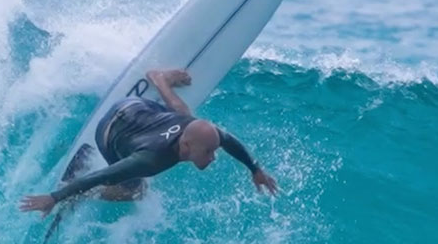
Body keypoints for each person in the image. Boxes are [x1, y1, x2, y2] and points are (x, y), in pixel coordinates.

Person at [20, 69, 278, 216]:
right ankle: (82, 195)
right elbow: (102, 175)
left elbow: (228, 141)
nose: (213, 156)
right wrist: (56, 197)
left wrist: (255, 169)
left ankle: (160, 79)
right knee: (136, 191)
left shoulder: (197, 134)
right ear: (186, 147)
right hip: (108, 133)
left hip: (133, 107)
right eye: (209, 152)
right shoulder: (150, 161)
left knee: (186, 116)